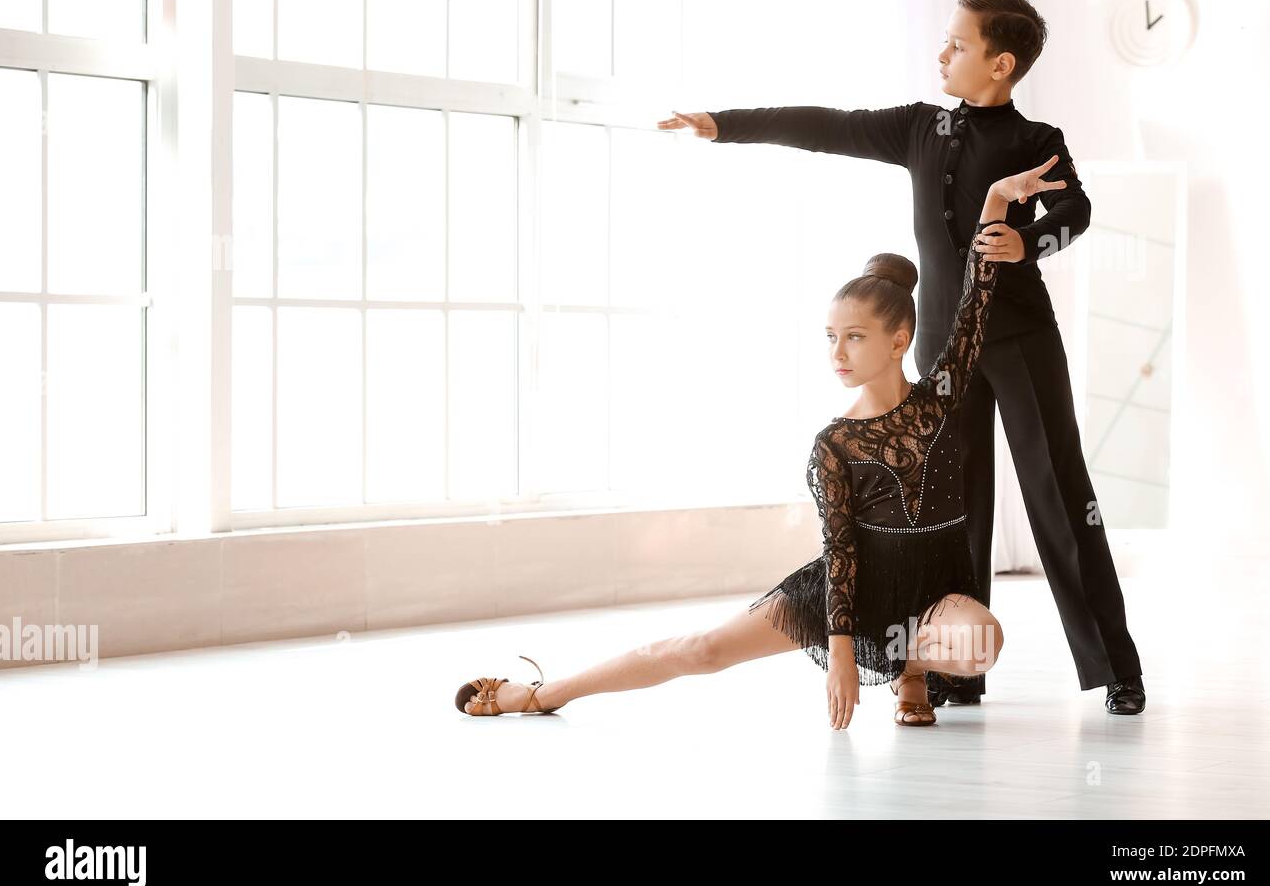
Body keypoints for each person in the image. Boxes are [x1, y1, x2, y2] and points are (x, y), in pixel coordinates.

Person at [657, 0, 1145, 715]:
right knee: (957, 508)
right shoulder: (921, 128)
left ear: (1000, 64)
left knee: (1061, 496)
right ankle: (954, 669)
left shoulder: (1036, 138)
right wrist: (724, 124)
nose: (941, 52)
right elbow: (826, 126)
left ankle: (1116, 669)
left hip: (1020, 341)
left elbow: (1075, 209)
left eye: (958, 44)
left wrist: (1029, 240)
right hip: (944, 356)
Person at [454, 157, 1065, 729]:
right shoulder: (837, 443)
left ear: (900, 339)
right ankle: (537, 694)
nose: (838, 354)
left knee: (982, 641)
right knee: (701, 650)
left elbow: (975, 300)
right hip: (851, 590)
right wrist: (844, 656)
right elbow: (842, 553)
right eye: (830, 337)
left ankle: (911, 671)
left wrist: (993, 201)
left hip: (935, 584)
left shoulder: (942, 394)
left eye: (854, 337)